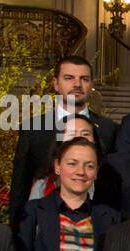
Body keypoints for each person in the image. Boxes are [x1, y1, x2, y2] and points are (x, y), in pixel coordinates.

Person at [10, 54, 117, 222]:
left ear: (91, 85)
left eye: (84, 79)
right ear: (56, 84)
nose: (77, 84)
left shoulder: (109, 129)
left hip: (96, 223)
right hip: (42, 224)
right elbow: (19, 185)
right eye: (69, 78)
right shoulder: (33, 128)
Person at [25, 113, 97, 204]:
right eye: (71, 134)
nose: (78, 138)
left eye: (85, 134)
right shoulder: (43, 186)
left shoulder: (109, 183)